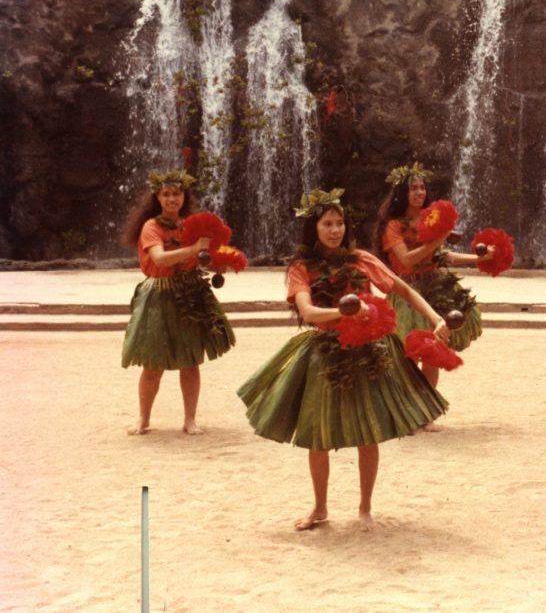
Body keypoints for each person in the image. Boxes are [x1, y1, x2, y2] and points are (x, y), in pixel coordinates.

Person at [238, 188, 450, 531]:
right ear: (314, 228)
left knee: (369, 432)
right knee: (318, 434)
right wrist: (347, 311)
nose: (335, 230)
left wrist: (435, 318)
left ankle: (365, 507)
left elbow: (404, 289)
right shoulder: (300, 268)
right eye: (327, 224)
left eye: (339, 224)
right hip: (324, 351)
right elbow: (307, 310)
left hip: (366, 350)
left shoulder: (360, 259)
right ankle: (320, 507)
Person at [121, 169, 235, 435]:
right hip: (158, 294)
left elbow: (201, 258)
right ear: (158, 198)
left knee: (191, 360)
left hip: (189, 291)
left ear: (184, 196)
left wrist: (220, 263)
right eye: (166, 194)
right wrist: (195, 249)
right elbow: (160, 259)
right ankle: (143, 419)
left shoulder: (190, 225)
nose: (172, 199)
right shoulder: (151, 226)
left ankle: (190, 420)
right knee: (153, 364)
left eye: (177, 194)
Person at [374, 163, 492, 396]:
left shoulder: (431, 220)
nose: (420, 193)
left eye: (422, 188)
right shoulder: (393, 226)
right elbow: (406, 260)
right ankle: (409, 409)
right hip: (408, 292)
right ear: (402, 194)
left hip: (436, 287)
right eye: (413, 188)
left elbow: (441, 255)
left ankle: (427, 411)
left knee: (432, 353)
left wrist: (479, 259)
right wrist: (439, 238)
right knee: (408, 356)